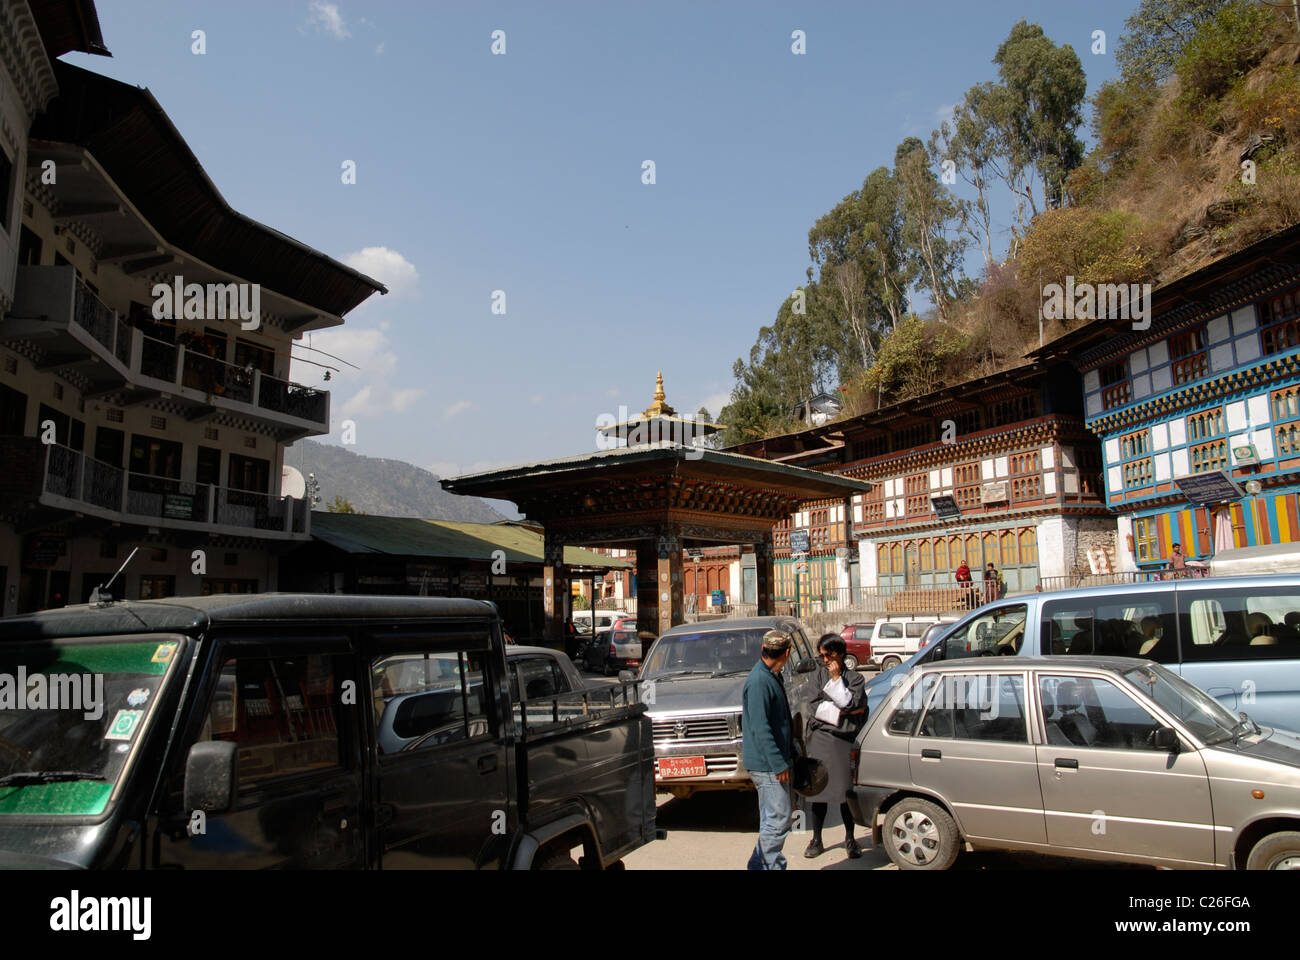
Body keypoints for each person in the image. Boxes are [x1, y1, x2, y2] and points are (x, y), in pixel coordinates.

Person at [803, 634, 867, 860]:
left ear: (839, 653)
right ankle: (817, 839)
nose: (824, 659)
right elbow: (814, 710)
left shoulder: (856, 679)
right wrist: (844, 711)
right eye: (821, 655)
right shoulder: (816, 677)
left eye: (828, 655)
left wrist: (837, 680)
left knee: (844, 794)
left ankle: (850, 839)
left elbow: (855, 705)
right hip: (820, 740)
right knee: (819, 792)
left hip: (844, 740)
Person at [742, 629, 795, 870]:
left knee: (770, 820)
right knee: (780, 819)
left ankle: (767, 865)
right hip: (766, 765)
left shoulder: (770, 675)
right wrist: (778, 764)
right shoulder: (759, 681)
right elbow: (761, 728)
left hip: (770, 763)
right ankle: (761, 865)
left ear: (763, 650)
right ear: (786, 653)